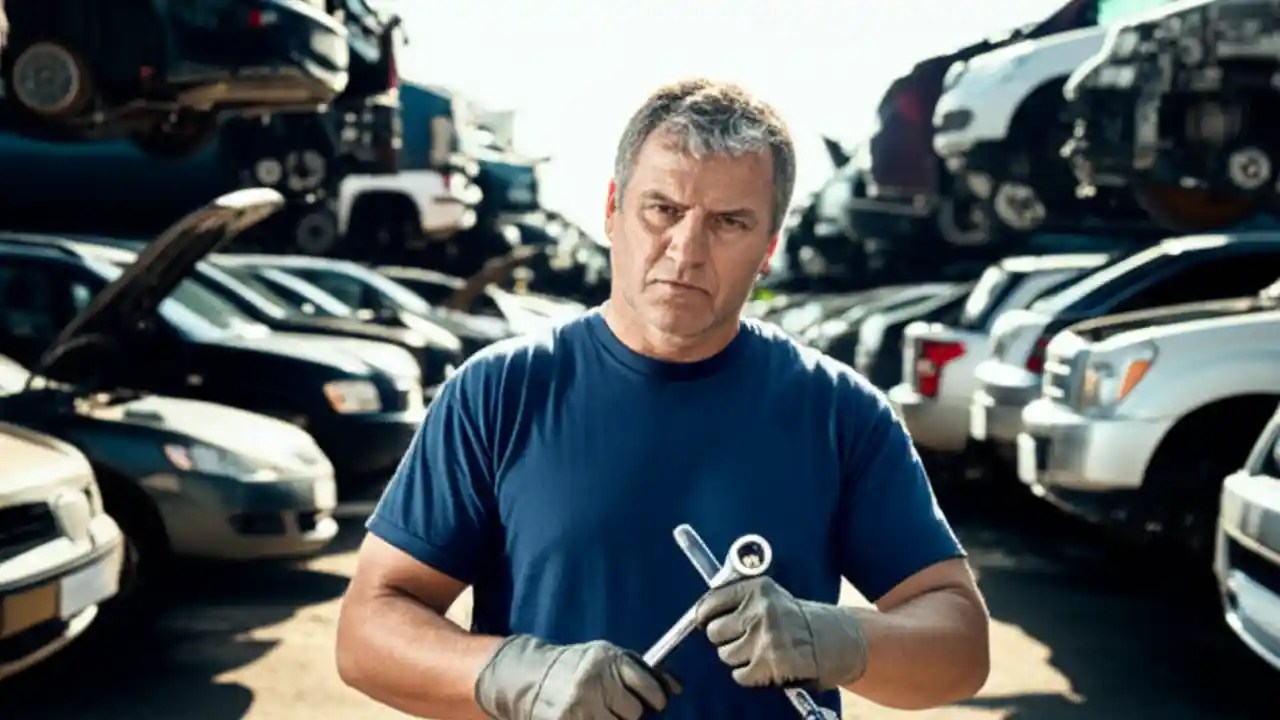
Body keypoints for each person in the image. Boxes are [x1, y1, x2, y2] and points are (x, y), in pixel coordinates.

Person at [335, 78, 991, 719]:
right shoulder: (500, 392)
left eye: (729, 222)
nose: (686, 250)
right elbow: (367, 632)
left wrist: (841, 640)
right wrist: (515, 676)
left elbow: (960, 645)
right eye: (663, 210)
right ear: (612, 209)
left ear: (769, 247)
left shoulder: (839, 411)